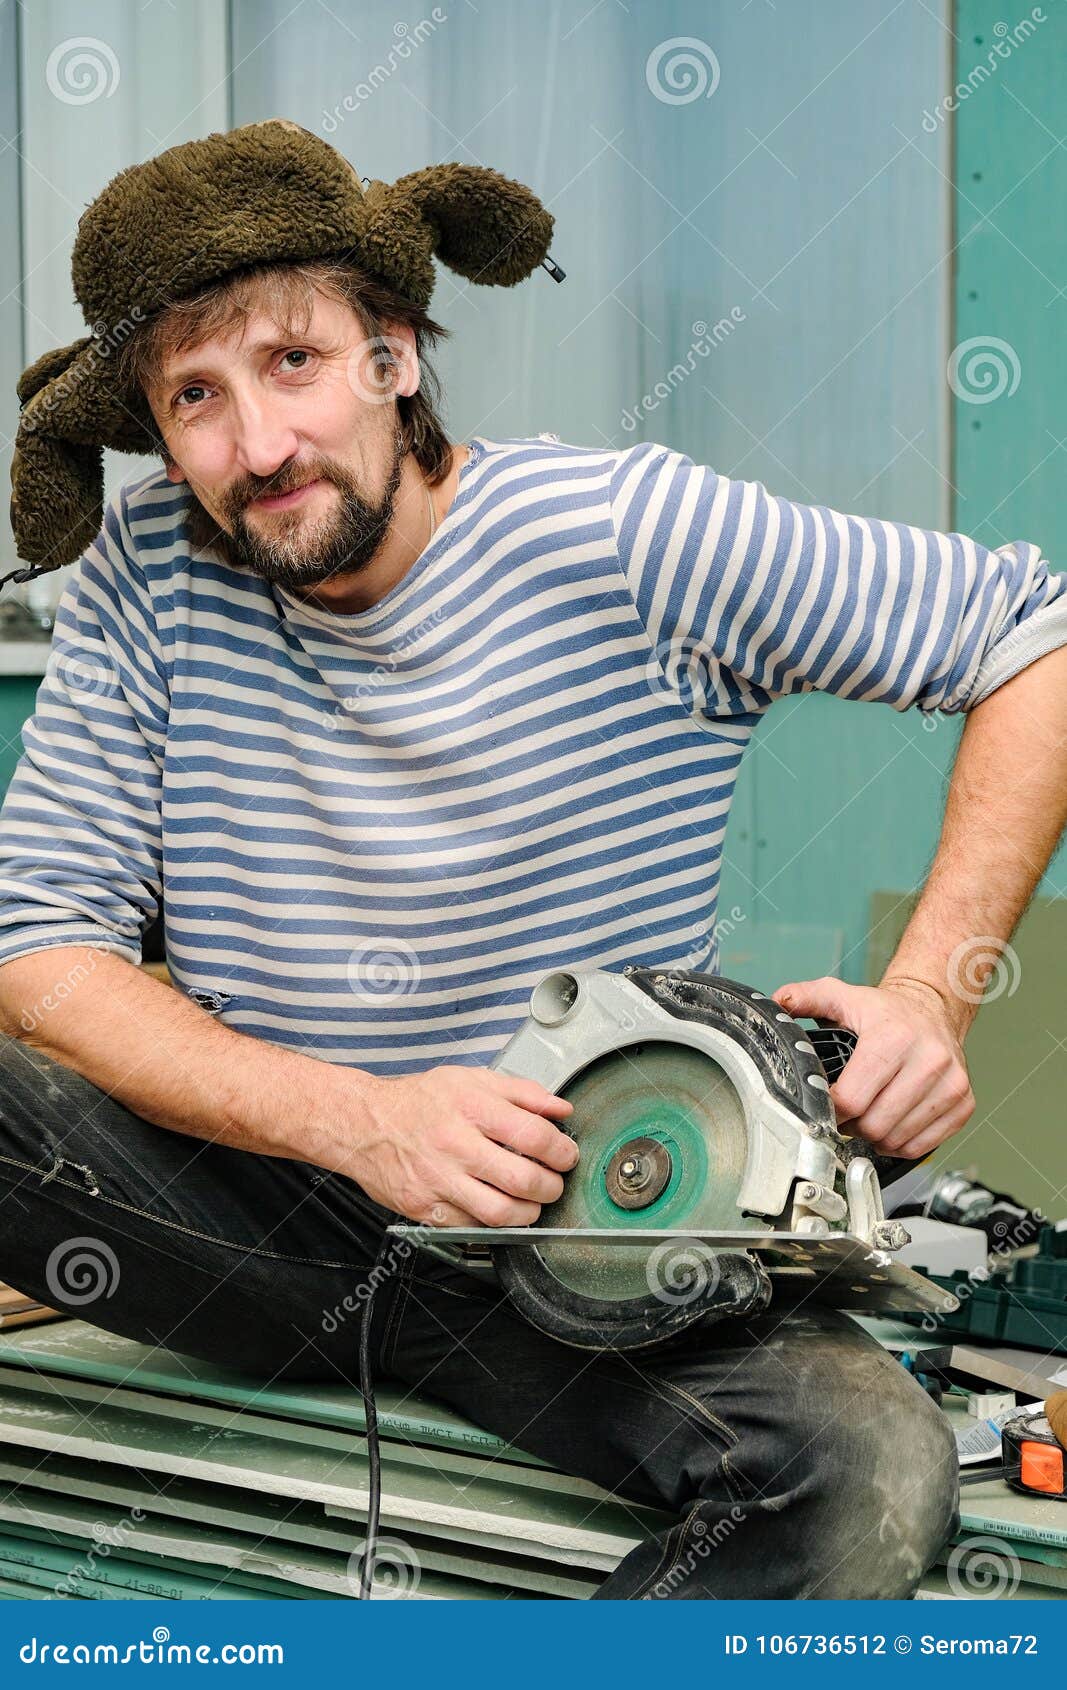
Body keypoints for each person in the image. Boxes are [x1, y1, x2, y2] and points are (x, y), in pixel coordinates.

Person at [0, 120, 1064, 1600]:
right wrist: (365, 1122)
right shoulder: (147, 569)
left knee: (867, 1470)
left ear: (393, 353)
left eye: (295, 362)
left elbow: (1032, 635)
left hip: (593, 1250)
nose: (259, 447)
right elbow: (39, 949)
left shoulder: (624, 533)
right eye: (196, 396)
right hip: (272, 1215)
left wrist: (934, 994)